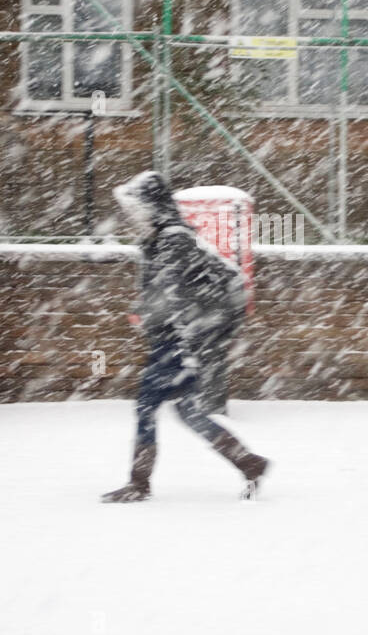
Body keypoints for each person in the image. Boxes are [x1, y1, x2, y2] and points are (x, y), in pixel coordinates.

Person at [102, 170, 270, 503]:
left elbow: (172, 292)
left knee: (148, 406)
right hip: (176, 339)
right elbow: (168, 289)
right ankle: (249, 462)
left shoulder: (171, 238)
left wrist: (172, 333)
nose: (132, 216)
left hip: (175, 341)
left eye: (136, 207)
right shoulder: (162, 237)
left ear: (152, 205)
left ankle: (139, 482)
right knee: (188, 411)